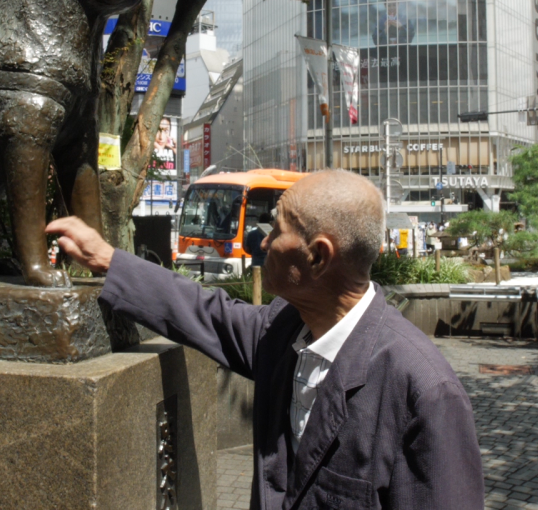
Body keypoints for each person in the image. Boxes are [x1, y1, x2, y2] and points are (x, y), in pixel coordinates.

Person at [46, 170, 485, 508]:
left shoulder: (424, 392)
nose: (262, 240)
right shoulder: (283, 332)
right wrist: (106, 258)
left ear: (317, 255)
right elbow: (205, 311)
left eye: (276, 229)